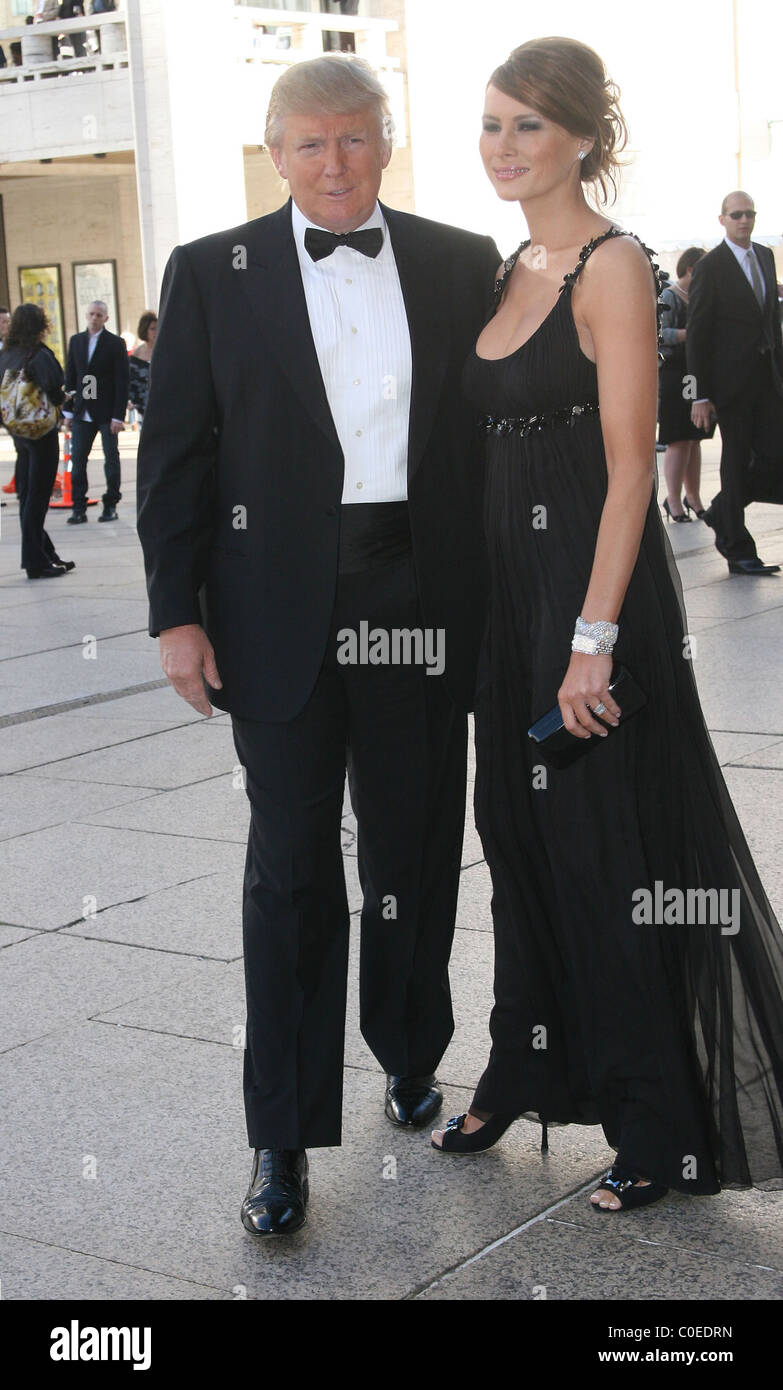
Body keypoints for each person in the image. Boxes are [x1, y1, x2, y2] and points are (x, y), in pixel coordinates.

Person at [137, 54, 501, 1237]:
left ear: (386, 141)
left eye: (353, 139)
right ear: (275, 150)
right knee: (290, 867)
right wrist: (175, 615)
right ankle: (281, 1134)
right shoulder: (210, 272)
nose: (333, 164)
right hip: (274, 610)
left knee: (412, 848)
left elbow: (493, 444)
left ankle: (408, 1049)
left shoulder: (457, 261)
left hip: (417, 595)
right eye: (309, 143)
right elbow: (177, 458)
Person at [431, 37, 783, 1214]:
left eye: (528, 125)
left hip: (589, 597)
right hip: (504, 599)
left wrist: (591, 643)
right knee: (521, 842)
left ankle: (657, 1125)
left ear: (583, 135)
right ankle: (525, 1063)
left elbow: (634, 469)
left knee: (607, 854)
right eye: (490, 124)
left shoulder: (612, 263)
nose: (503, 147)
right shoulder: (503, 267)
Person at [687, 191, 783, 575]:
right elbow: (697, 334)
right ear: (723, 219)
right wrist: (698, 395)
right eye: (736, 215)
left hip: (768, 382)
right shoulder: (711, 267)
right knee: (735, 461)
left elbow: (770, 322)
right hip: (730, 386)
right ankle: (739, 549)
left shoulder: (764, 256)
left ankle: (720, 512)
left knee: (775, 456)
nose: (744, 220)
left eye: (749, 214)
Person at [0, 303, 75, 578]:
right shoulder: (39, 354)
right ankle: (35, 562)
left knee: (26, 494)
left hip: (18, 432)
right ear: (40, 324)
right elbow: (56, 385)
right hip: (41, 432)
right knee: (37, 496)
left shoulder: (7, 354)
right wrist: (62, 400)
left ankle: (45, 554)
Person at [63, 300, 128, 523]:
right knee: (78, 460)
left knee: (111, 458)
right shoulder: (76, 341)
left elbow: (122, 381)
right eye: (91, 314)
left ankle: (110, 504)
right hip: (82, 411)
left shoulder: (115, 343)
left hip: (107, 412)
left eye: (99, 315)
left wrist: (118, 416)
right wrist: (68, 412)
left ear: (106, 318)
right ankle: (78, 507)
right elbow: (70, 376)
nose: (94, 318)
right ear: (86, 315)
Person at [658, 246, 709, 522]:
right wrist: (687, 334)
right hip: (675, 374)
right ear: (690, 268)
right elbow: (659, 333)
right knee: (678, 439)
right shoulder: (669, 295)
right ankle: (674, 501)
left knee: (695, 438)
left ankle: (694, 498)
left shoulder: (701, 296)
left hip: (697, 371)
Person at [1, 306, 20, 499]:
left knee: (21, 448)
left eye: (8, 321)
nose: (6, 325)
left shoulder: (16, 349)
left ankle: (21, 489)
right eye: (2, 321)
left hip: (11, 407)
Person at [128, 311, 157, 421]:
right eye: (152, 328)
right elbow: (131, 382)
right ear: (145, 330)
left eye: (158, 328)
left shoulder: (166, 351)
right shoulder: (136, 355)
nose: (156, 331)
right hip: (144, 406)